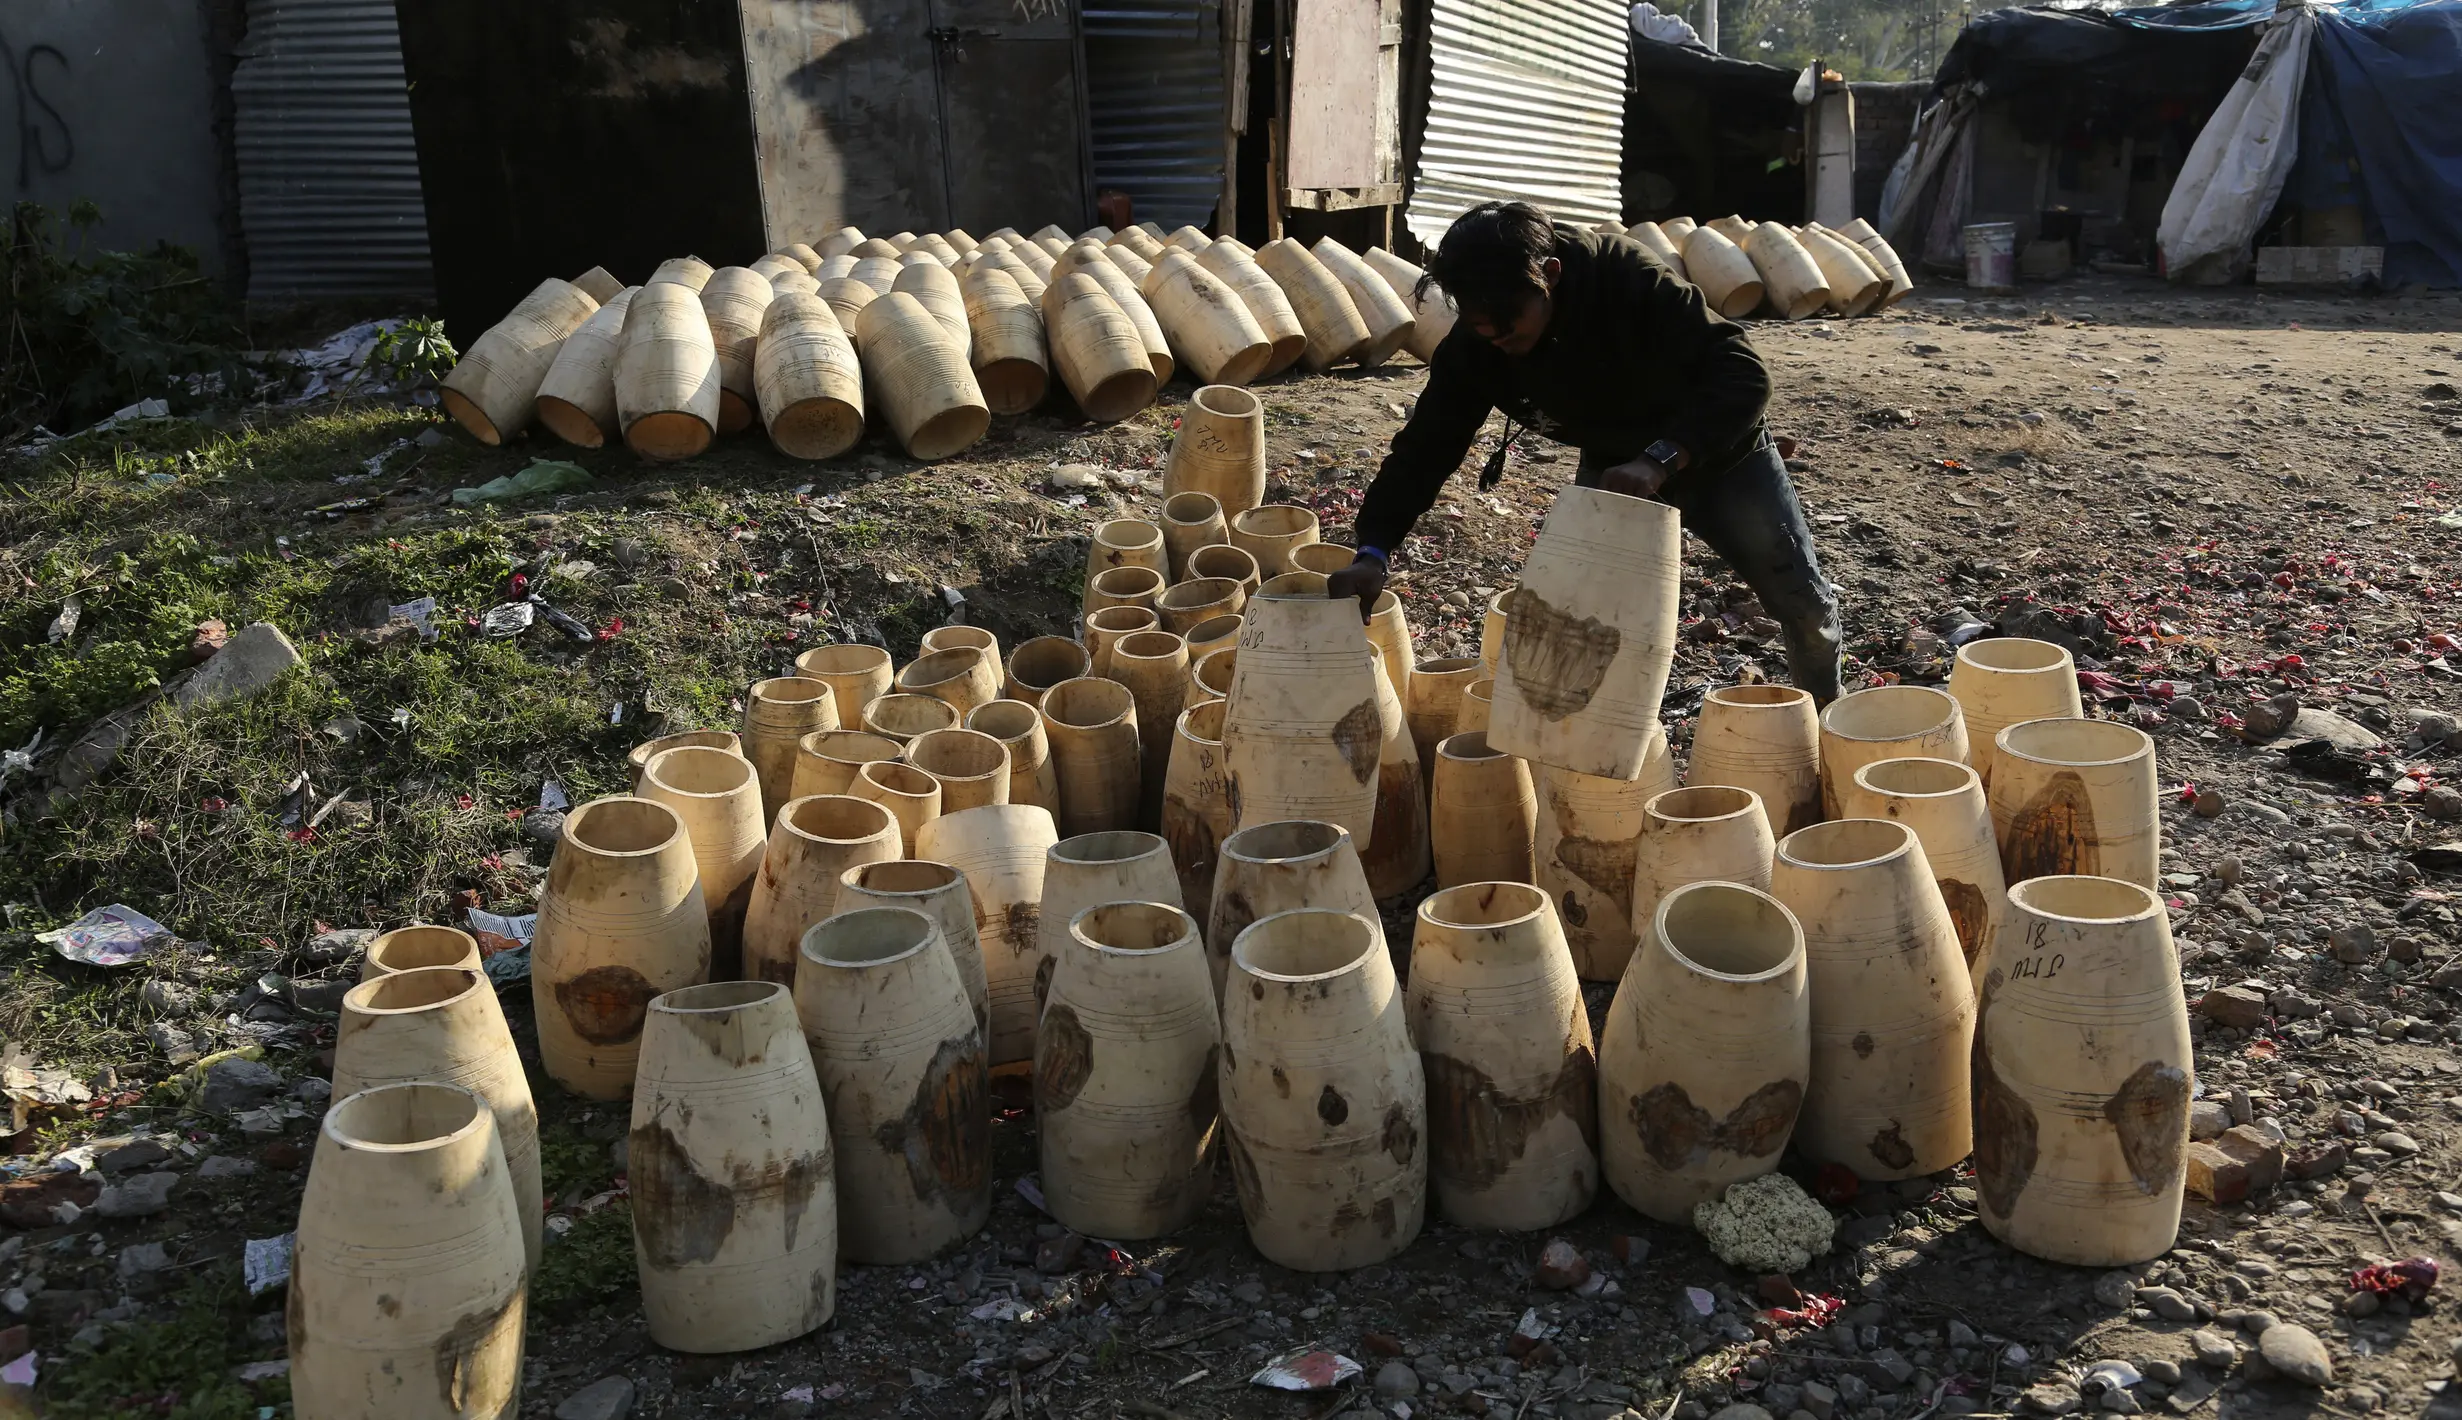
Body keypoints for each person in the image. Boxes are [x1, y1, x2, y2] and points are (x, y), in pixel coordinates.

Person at [1326, 201, 1844, 704]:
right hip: (1617, 465)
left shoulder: (1627, 279)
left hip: (1718, 452)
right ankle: (1602, 760)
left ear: (1549, 274)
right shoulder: (1479, 344)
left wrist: (1663, 458)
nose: (1498, 337)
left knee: (1801, 606)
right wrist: (1374, 546)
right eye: (1482, 323)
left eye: (1510, 323)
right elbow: (1426, 447)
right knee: (1590, 629)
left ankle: (1821, 726)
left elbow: (1743, 371)